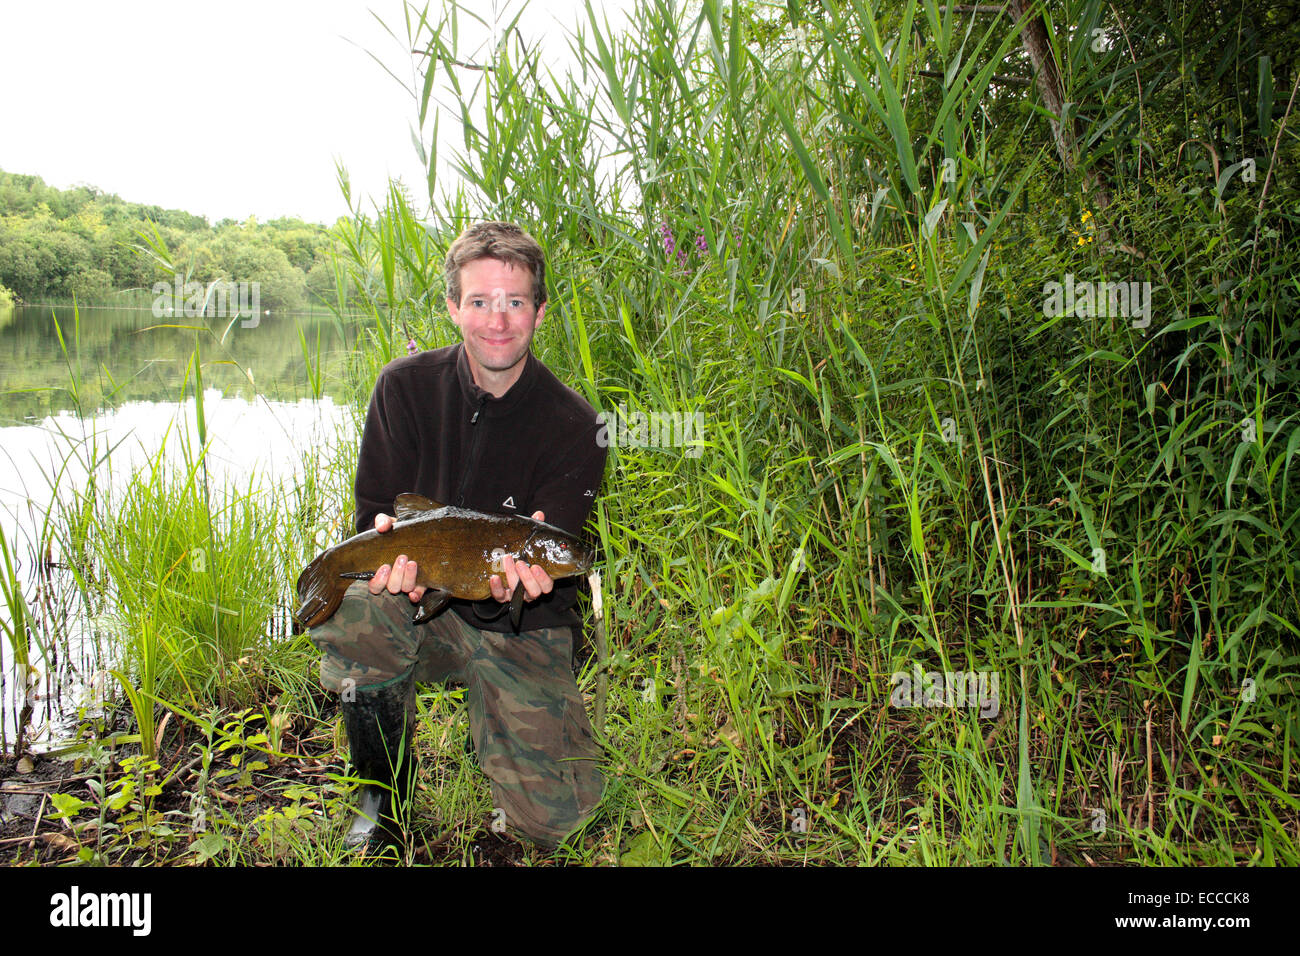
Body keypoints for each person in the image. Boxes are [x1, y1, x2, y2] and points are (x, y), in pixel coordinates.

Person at [307, 221, 607, 851]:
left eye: (515, 302)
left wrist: (523, 585)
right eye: (479, 301)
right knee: (359, 609)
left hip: (526, 627)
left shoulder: (578, 424)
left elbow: (558, 545)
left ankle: (503, 722)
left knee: (556, 826)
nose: (497, 321)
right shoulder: (403, 388)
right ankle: (380, 807)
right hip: (423, 607)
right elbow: (376, 515)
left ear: (540, 311)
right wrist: (380, 546)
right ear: (452, 308)